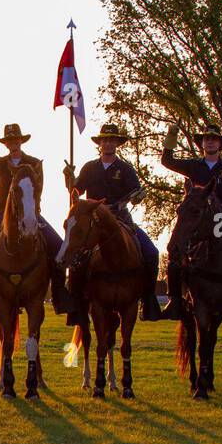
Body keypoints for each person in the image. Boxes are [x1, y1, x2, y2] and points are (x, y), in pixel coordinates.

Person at [0, 123, 71, 316]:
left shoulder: (34, 162)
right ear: (6, 144)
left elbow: (39, 188)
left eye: (16, 139)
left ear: (21, 140)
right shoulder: (1, 162)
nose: (13, 143)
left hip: (30, 212)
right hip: (3, 214)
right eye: (9, 140)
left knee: (58, 246)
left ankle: (60, 292)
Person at [159, 124, 222, 320]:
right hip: (196, 218)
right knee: (175, 251)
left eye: (214, 139)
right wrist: (171, 137)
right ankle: (176, 300)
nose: (210, 141)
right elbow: (167, 160)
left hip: (221, 216)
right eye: (207, 138)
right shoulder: (192, 165)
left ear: (220, 144)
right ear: (202, 143)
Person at [62, 123, 162, 323]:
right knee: (76, 258)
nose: (108, 143)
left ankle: (148, 300)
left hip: (121, 218)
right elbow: (75, 192)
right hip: (94, 222)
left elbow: (136, 191)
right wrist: (69, 178)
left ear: (117, 143)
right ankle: (76, 304)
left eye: (111, 140)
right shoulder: (90, 167)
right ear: (100, 144)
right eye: (104, 140)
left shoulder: (125, 168)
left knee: (151, 253)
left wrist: (139, 196)